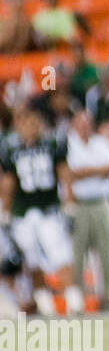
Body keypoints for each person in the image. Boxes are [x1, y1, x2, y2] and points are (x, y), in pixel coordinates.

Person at [1, 108, 75, 316]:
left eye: (32, 122)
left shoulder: (52, 145)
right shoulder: (11, 149)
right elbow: (9, 183)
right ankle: (44, 303)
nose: (29, 127)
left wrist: (69, 204)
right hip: (23, 212)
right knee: (32, 258)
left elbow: (65, 175)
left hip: (48, 209)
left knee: (59, 253)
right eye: (24, 123)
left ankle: (72, 300)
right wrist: (6, 212)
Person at [66, 109, 109, 307]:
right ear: (74, 126)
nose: (84, 128)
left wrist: (85, 172)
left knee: (106, 249)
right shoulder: (68, 145)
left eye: (87, 124)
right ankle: (78, 298)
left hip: (101, 201)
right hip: (79, 204)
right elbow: (69, 173)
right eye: (81, 124)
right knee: (77, 251)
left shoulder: (101, 143)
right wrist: (97, 171)